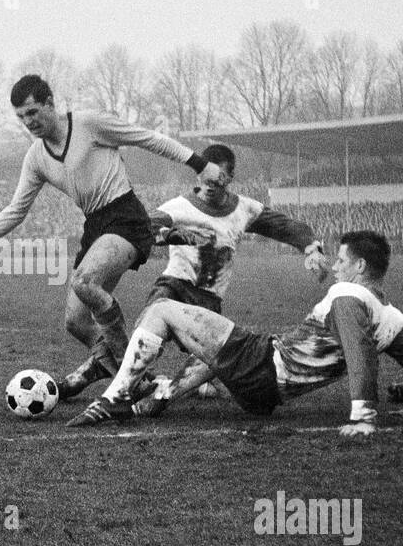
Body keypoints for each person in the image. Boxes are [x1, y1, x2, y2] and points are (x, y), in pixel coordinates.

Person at [0, 74, 226, 399]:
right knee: (77, 321)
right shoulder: (36, 158)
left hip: (126, 218)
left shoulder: (89, 124)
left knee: (84, 282)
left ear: (50, 103)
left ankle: (130, 373)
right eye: (21, 117)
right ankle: (128, 376)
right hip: (95, 227)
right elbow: (16, 209)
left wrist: (201, 165)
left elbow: (147, 138)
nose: (28, 122)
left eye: (33, 112)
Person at [67, 230, 403, 436]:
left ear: (359, 265)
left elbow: (358, 353)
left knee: (161, 310)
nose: (335, 267)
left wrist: (364, 416)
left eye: (340, 260)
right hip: (268, 395)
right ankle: (159, 396)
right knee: (215, 349)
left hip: (263, 366)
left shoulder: (347, 294)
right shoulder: (391, 318)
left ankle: (115, 398)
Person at [140, 142, 329, 415]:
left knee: (210, 358)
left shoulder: (243, 209)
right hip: (174, 286)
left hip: (209, 299)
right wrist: (168, 234)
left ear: (229, 178)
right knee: (144, 338)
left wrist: (311, 247)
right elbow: (144, 227)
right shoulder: (178, 207)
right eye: (205, 176)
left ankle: (166, 394)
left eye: (218, 178)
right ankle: (122, 391)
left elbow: (285, 225)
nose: (210, 183)